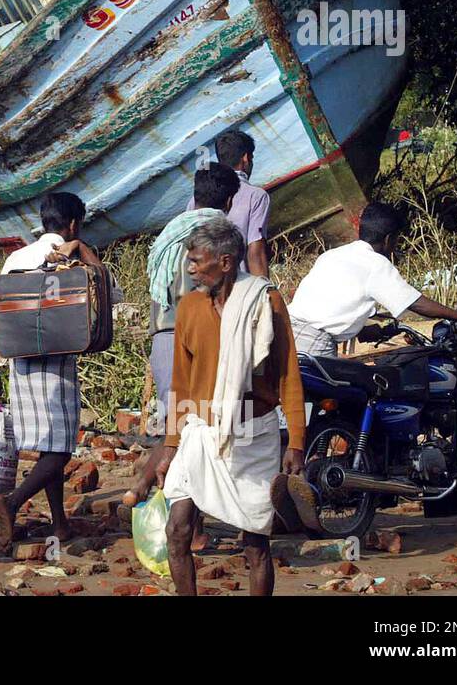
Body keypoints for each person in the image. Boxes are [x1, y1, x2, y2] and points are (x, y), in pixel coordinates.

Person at [127, 217, 305, 596]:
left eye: (196, 260)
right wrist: (170, 447)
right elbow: (180, 382)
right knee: (177, 530)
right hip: (201, 433)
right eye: (188, 260)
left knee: (255, 546)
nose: (189, 268)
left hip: (252, 436)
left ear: (225, 263)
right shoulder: (189, 308)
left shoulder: (265, 301)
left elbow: (289, 374)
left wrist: (297, 444)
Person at [0, 191, 106, 551]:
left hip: (20, 361)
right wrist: (82, 249)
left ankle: (59, 522)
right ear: (72, 225)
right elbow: (108, 292)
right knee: (61, 449)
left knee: (46, 445)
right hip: (56, 361)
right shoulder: (74, 262)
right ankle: (13, 501)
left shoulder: (16, 259)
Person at [288, 201, 457, 357]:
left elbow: (330, 305)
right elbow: (417, 304)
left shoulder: (333, 255)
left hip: (286, 333)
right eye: (397, 240)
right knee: (343, 401)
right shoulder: (376, 264)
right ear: (388, 239)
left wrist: (362, 332)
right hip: (314, 343)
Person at [147, 163, 239, 427]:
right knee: (205, 425)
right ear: (230, 200)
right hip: (203, 339)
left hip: (164, 338)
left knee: (175, 425)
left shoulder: (170, 232)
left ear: (195, 196)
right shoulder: (222, 236)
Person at [187, 129, 270, 277]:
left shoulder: (195, 199)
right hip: (238, 285)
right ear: (246, 158)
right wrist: (265, 293)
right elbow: (255, 252)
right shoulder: (256, 196)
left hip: (204, 286)